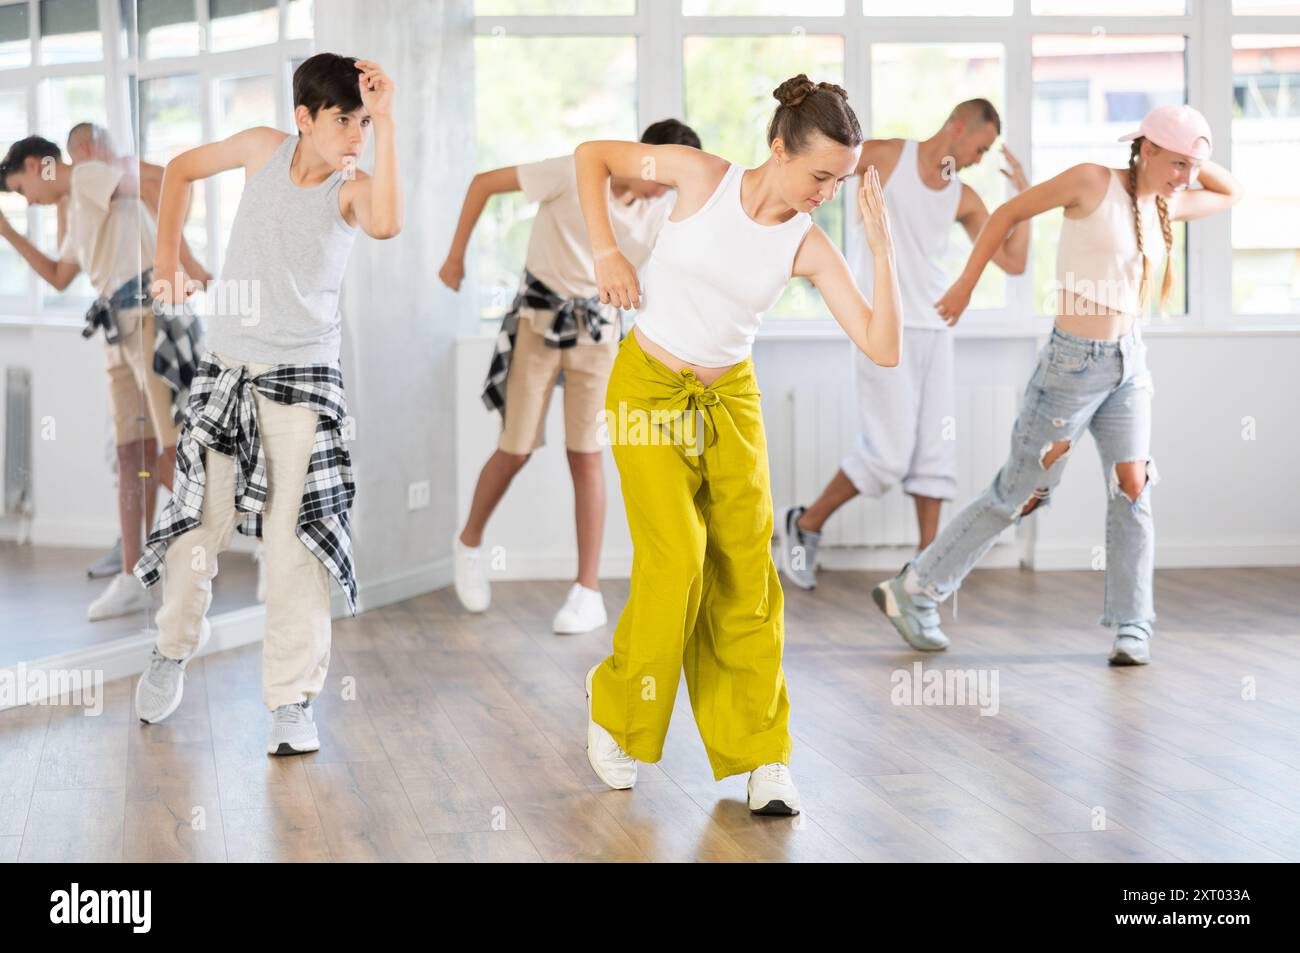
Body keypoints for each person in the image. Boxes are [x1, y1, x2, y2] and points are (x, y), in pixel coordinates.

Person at [576, 75, 901, 814]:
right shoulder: (699, 177)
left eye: (840, 182)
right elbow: (592, 155)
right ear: (778, 148)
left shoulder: (809, 245)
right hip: (648, 392)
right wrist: (606, 253)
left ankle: (762, 756)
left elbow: (881, 345)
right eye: (819, 174)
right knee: (677, 558)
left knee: (749, 569)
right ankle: (616, 702)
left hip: (731, 401)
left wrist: (883, 253)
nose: (826, 193)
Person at [871, 104, 1243, 666]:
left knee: (1133, 489)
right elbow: (1006, 215)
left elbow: (1230, 192)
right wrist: (967, 287)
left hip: (1129, 366)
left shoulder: (1166, 200)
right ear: (1144, 148)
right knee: (1021, 495)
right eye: (1177, 164)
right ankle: (917, 587)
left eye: (1192, 169)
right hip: (1071, 368)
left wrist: (1190, 153)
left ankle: (1132, 625)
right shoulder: (1092, 181)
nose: (1186, 178)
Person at [132, 53, 402, 756]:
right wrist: (167, 260)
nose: (357, 136)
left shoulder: (353, 188)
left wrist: (391, 121)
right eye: (346, 120)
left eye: (365, 122)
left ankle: (291, 700)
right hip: (229, 373)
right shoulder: (260, 150)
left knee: (292, 551)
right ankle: (170, 649)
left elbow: (387, 225)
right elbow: (180, 170)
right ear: (304, 119)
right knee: (196, 533)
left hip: (303, 384)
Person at [439, 119, 701, 633]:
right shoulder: (574, 171)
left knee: (586, 455)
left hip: (599, 330)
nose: (665, 185)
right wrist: (455, 257)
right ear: (641, 155)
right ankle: (469, 542)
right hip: (538, 320)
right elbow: (483, 184)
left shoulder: (663, 212)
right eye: (664, 172)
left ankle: (586, 591)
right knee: (515, 448)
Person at [777, 100, 1029, 589]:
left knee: (935, 453)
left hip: (936, 329)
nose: (979, 158)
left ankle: (925, 570)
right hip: (882, 326)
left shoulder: (965, 197)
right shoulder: (887, 157)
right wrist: (809, 258)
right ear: (956, 127)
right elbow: (813, 176)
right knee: (888, 455)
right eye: (979, 147)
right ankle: (804, 524)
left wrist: (1023, 200)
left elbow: (1014, 262)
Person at [0, 135, 184, 620]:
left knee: (169, 451)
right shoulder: (74, 205)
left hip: (145, 316)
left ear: (40, 165)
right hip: (115, 330)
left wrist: (172, 265)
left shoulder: (84, 175)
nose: (29, 201)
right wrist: (9, 233)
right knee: (130, 455)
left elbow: (156, 181)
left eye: (22, 189)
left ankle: (235, 537)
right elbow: (61, 276)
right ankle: (132, 576)